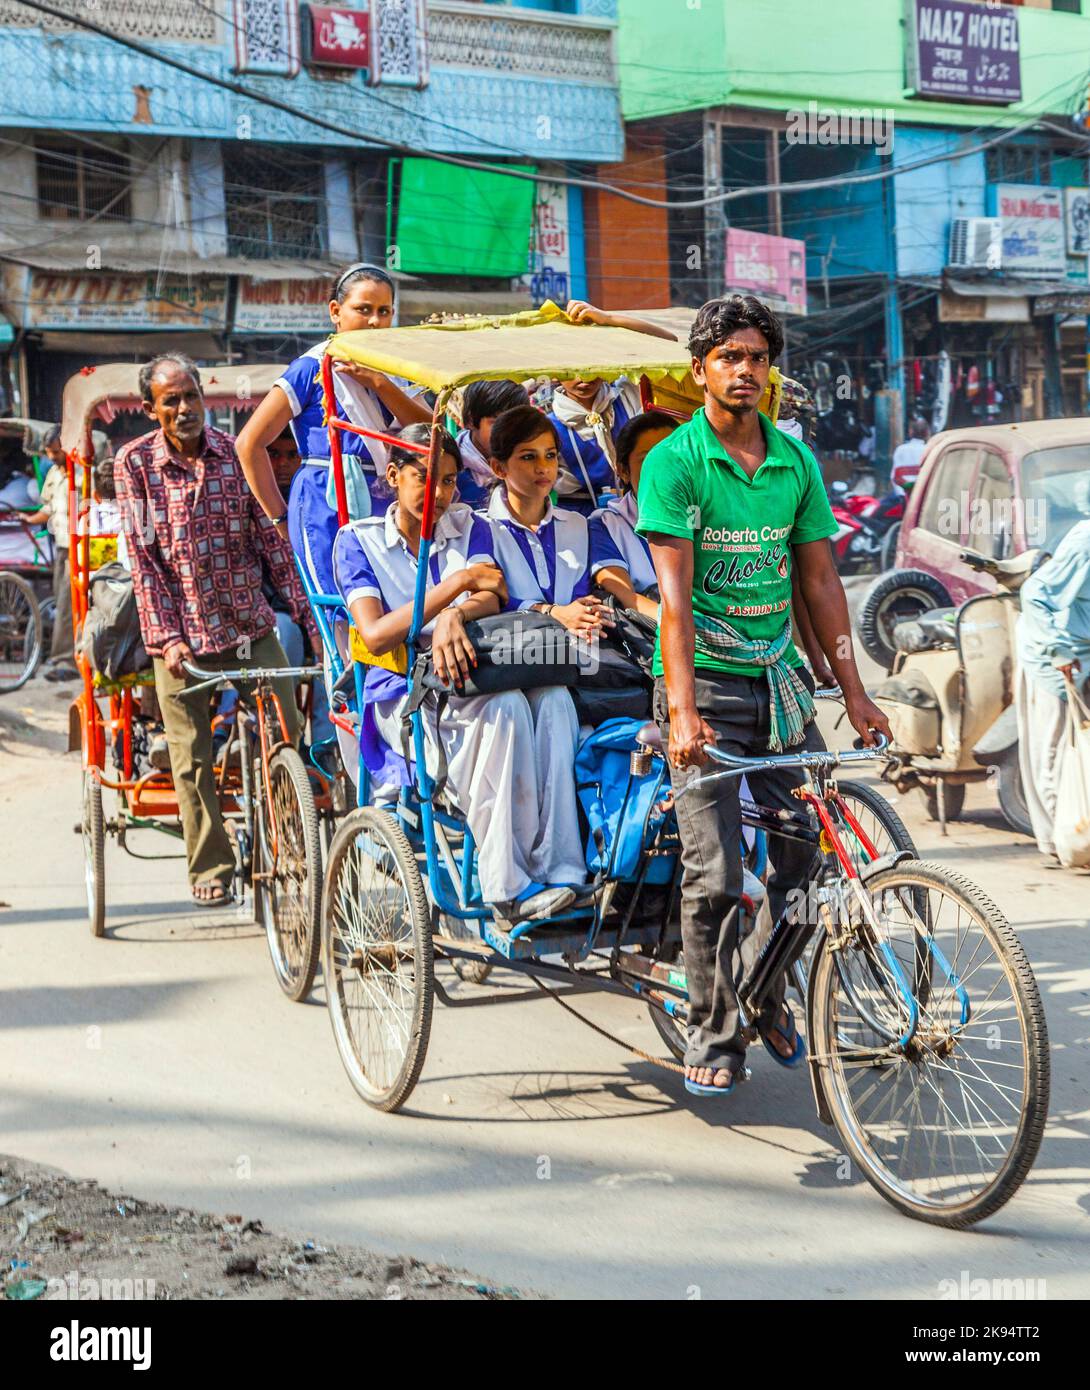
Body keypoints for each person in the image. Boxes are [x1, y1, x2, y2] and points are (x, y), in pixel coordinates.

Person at [636, 295, 890, 1097]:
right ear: (700, 370)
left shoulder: (795, 462)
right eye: (729, 358)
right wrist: (682, 712)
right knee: (715, 873)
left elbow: (821, 583)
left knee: (807, 859)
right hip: (704, 685)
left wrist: (855, 693)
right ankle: (713, 1034)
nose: (745, 371)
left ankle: (764, 989)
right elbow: (674, 602)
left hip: (779, 683)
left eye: (757, 358)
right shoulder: (674, 463)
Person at [333, 424, 587, 922]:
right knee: (506, 712)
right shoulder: (358, 540)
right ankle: (507, 887)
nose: (439, 494)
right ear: (393, 476)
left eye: (449, 481)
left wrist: (455, 613)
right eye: (425, 478)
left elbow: (492, 593)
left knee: (556, 698)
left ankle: (563, 868)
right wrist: (456, 588)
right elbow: (377, 633)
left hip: (475, 672)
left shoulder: (469, 524)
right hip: (408, 694)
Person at [114, 353, 313, 907]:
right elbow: (143, 562)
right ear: (151, 409)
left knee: (285, 733)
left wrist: (307, 614)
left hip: (248, 625)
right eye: (170, 401)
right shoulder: (135, 464)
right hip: (181, 640)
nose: (184, 408)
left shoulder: (236, 453)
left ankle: (292, 841)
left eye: (190, 396)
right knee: (191, 757)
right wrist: (168, 638)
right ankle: (212, 866)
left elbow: (273, 545)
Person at [235, 263, 430, 598]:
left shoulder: (396, 373)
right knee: (341, 607)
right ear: (336, 311)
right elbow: (249, 443)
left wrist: (379, 383)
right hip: (324, 505)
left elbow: (429, 432)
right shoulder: (310, 368)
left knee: (395, 607)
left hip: (389, 501)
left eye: (384, 311)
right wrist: (280, 519)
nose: (374, 321)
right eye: (363, 309)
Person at [483, 406, 626, 638]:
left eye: (550, 455)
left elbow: (584, 595)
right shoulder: (482, 528)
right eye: (528, 457)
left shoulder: (578, 524)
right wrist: (554, 612)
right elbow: (488, 601)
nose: (543, 468)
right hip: (511, 650)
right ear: (499, 468)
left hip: (581, 647)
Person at [1016, 521, 1090, 861]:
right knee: (1057, 751)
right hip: (1053, 655)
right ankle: (1063, 843)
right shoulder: (1086, 542)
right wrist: (1056, 649)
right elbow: (1034, 593)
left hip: (1084, 652)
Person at [590, 409, 677, 622]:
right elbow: (627, 596)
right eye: (648, 459)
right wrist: (685, 628)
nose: (664, 469)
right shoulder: (605, 525)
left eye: (675, 456)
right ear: (623, 471)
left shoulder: (710, 513)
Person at [23, 426, 80, 682]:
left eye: (56, 452)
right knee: (63, 602)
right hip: (62, 546)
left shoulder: (82, 472)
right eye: (49, 453)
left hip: (80, 548)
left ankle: (65, 661)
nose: (53, 457)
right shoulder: (55, 474)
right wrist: (28, 519)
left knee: (68, 604)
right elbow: (48, 508)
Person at [454, 378, 529, 507]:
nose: (510, 433)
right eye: (497, 423)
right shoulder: (451, 468)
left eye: (518, 424)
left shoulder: (529, 459)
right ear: (471, 421)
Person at [892, 417, 929, 486]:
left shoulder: (900, 449)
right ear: (927, 433)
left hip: (902, 490)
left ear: (910, 432)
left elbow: (895, 477)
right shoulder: (929, 450)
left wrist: (907, 488)